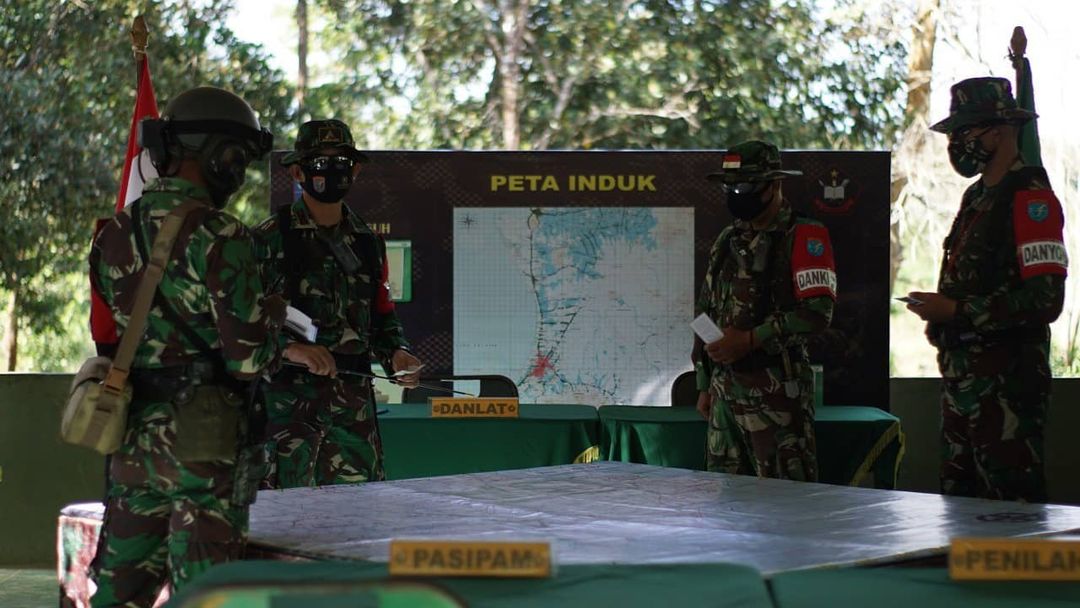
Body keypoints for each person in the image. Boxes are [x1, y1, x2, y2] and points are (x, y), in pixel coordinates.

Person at [88, 86, 282, 606]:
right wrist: (273, 324)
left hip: (132, 439)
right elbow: (246, 360)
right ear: (224, 155)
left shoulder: (114, 232)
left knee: (119, 590)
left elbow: (108, 335)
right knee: (204, 594)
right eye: (239, 158)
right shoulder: (223, 234)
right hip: (205, 444)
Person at [906, 77, 1066, 502]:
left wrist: (956, 312)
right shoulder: (976, 197)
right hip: (962, 384)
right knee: (959, 509)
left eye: (965, 131)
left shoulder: (1031, 200)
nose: (956, 143)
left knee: (1011, 512)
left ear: (999, 129)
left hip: (1007, 390)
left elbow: (1046, 300)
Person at [255, 119, 421, 489]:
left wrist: (397, 354)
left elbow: (382, 317)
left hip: (352, 419)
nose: (330, 170)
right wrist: (291, 349)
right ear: (297, 171)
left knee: (358, 521)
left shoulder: (368, 242)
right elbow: (238, 327)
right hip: (287, 414)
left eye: (341, 162)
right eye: (319, 162)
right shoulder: (268, 240)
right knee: (284, 523)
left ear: (356, 170)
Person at [693, 140, 836, 481]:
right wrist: (704, 381)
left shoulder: (803, 234)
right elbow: (706, 310)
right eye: (730, 186)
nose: (735, 194)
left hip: (777, 398)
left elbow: (818, 311)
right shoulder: (728, 239)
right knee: (725, 499)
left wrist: (751, 339)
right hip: (724, 395)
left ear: (773, 185)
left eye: (744, 186)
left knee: (783, 503)